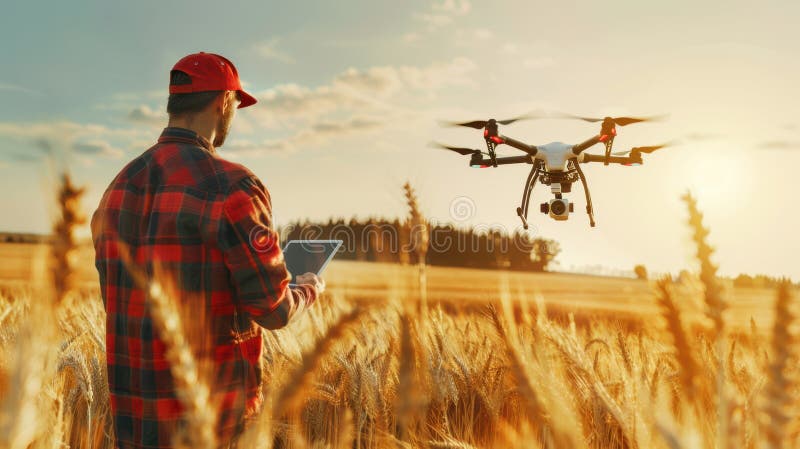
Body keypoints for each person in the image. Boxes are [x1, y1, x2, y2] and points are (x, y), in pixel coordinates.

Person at [91, 52, 324, 449]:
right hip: (215, 425)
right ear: (223, 103)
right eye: (236, 104)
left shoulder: (117, 189)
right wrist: (308, 287)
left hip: (134, 424)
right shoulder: (233, 187)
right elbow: (273, 309)